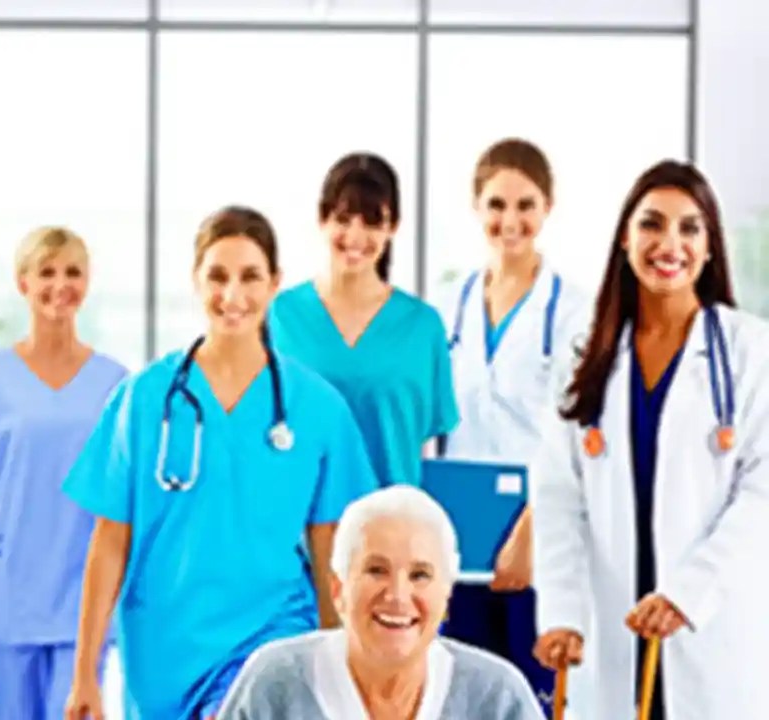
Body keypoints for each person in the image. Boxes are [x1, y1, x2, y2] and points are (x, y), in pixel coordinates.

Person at [62, 206, 379, 720]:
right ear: (195, 280)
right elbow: (109, 542)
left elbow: (329, 544)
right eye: (217, 276)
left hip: (272, 634)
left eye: (251, 276)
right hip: (164, 650)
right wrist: (85, 674)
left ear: (276, 283)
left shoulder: (315, 406)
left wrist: (339, 662)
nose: (233, 296)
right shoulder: (144, 399)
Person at [531, 160, 769, 719]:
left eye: (690, 228)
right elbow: (560, 496)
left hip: (709, 633)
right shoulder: (584, 352)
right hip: (608, 629)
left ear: (710, 248)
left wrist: (689, 593)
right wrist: (562, 613)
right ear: (624, 237)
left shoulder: (748, 352)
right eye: (652, 224)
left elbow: (761, 493)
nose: (670, 243)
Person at [433, 138, 591, 712]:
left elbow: (572, 439)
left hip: (535, 539)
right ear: (477, 207)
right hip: (458, 542)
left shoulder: (574, 312)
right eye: (497, 204)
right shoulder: (447, 307)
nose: (510, 221)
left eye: (525, 205)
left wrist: (529, 537)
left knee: (530, 699)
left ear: (547, 208)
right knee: (459, 697)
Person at [0, 226, 128, 720]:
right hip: (11, 591)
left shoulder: (115, 383)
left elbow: (122, 491)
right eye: (46, 272)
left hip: (82, 591)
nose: (60, 285)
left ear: (88, 283)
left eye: (73, 272)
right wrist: (5, 539)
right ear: (22, 283)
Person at [215, 485, 543, 719]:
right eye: (376, 571)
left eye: (420, 575)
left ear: (446, 597)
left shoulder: (497, 695)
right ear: (338, 590)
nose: (397, 596)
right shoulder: (274, 682)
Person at [268, 152, 459, 487]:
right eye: (343, 219)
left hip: (394, 526)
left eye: (372, 222)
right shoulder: (281, 316)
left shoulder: (423, 328)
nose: (355, 237)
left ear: (393, 227)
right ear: (322, 219)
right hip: (297, 525)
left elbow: (432, 446)